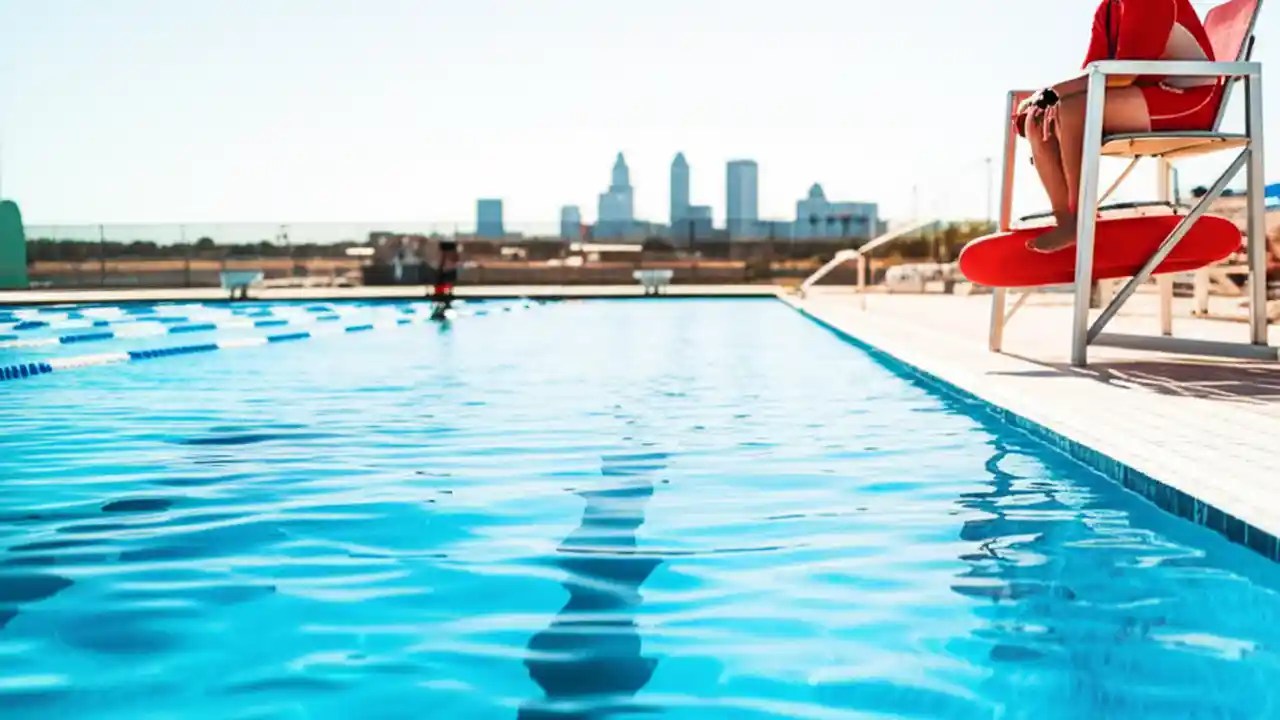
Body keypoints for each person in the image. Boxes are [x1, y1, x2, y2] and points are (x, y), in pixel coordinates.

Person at [1015, 0, 1224, 253]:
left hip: (1191, 98)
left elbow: (1123, 75)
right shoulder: (1109, 9)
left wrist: (1050, 93)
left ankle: (1081, 221)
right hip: (1145, 91)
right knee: (1041, 117)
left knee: (1071, 110)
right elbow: (1094, 72)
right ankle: (1066, 221)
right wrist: (1045, 99)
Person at [429, 240, 459, 320]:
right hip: (443, 278)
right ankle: (443, 306)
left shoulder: (447, 269)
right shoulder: (445, 269)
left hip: (444, 277)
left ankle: (443, 305)